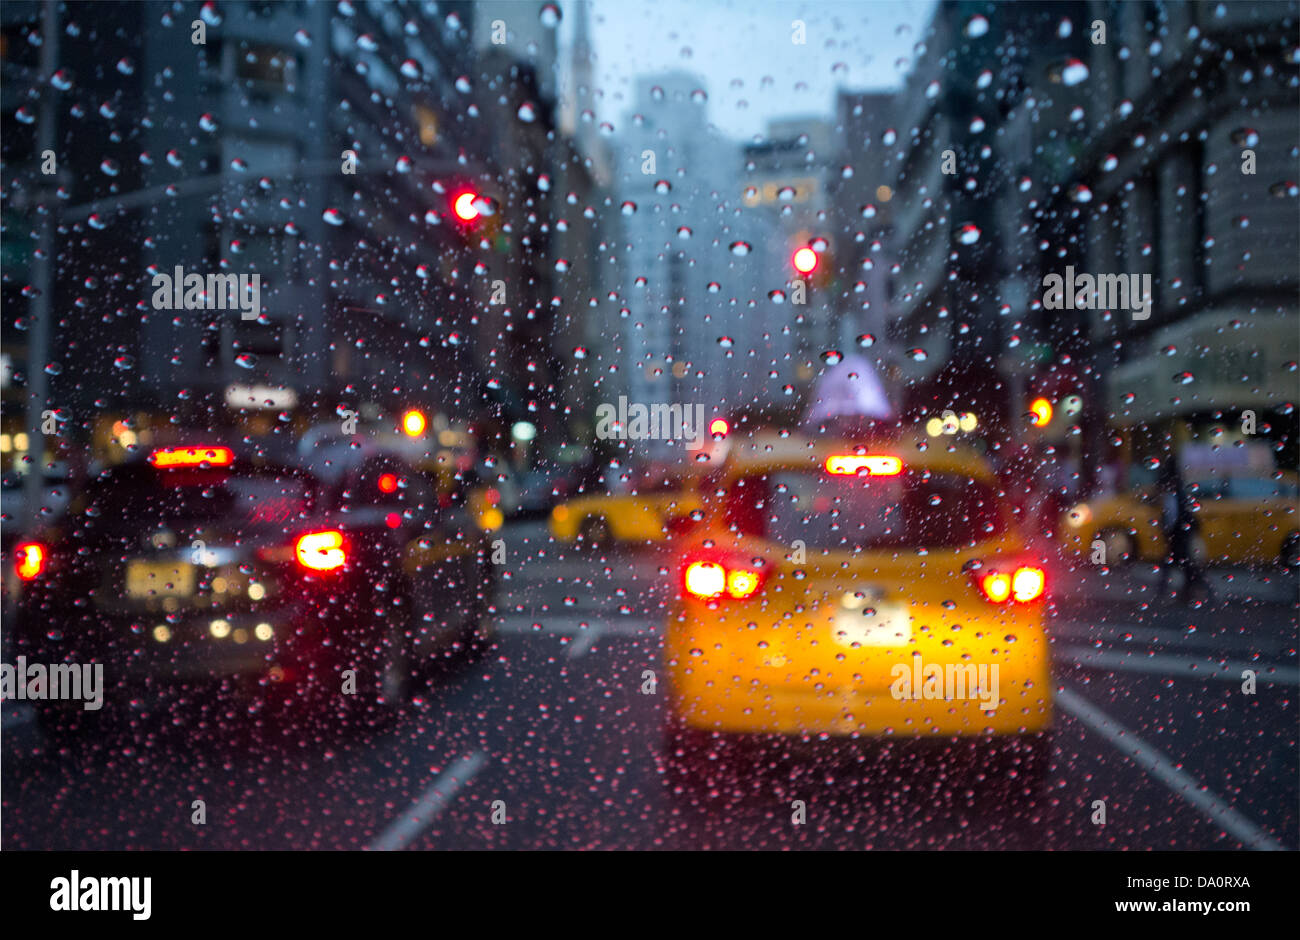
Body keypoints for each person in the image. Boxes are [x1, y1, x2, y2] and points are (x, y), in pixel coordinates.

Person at [1155, 455, 1213, 603]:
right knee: (1181, 564)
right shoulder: (1178, 491)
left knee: (1184, 564)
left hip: (1179, 534)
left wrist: (1168, 530)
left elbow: (1174, 515)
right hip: (1180, 533)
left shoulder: (1174, 493)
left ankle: (1203, 590)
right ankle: (1194, 590)